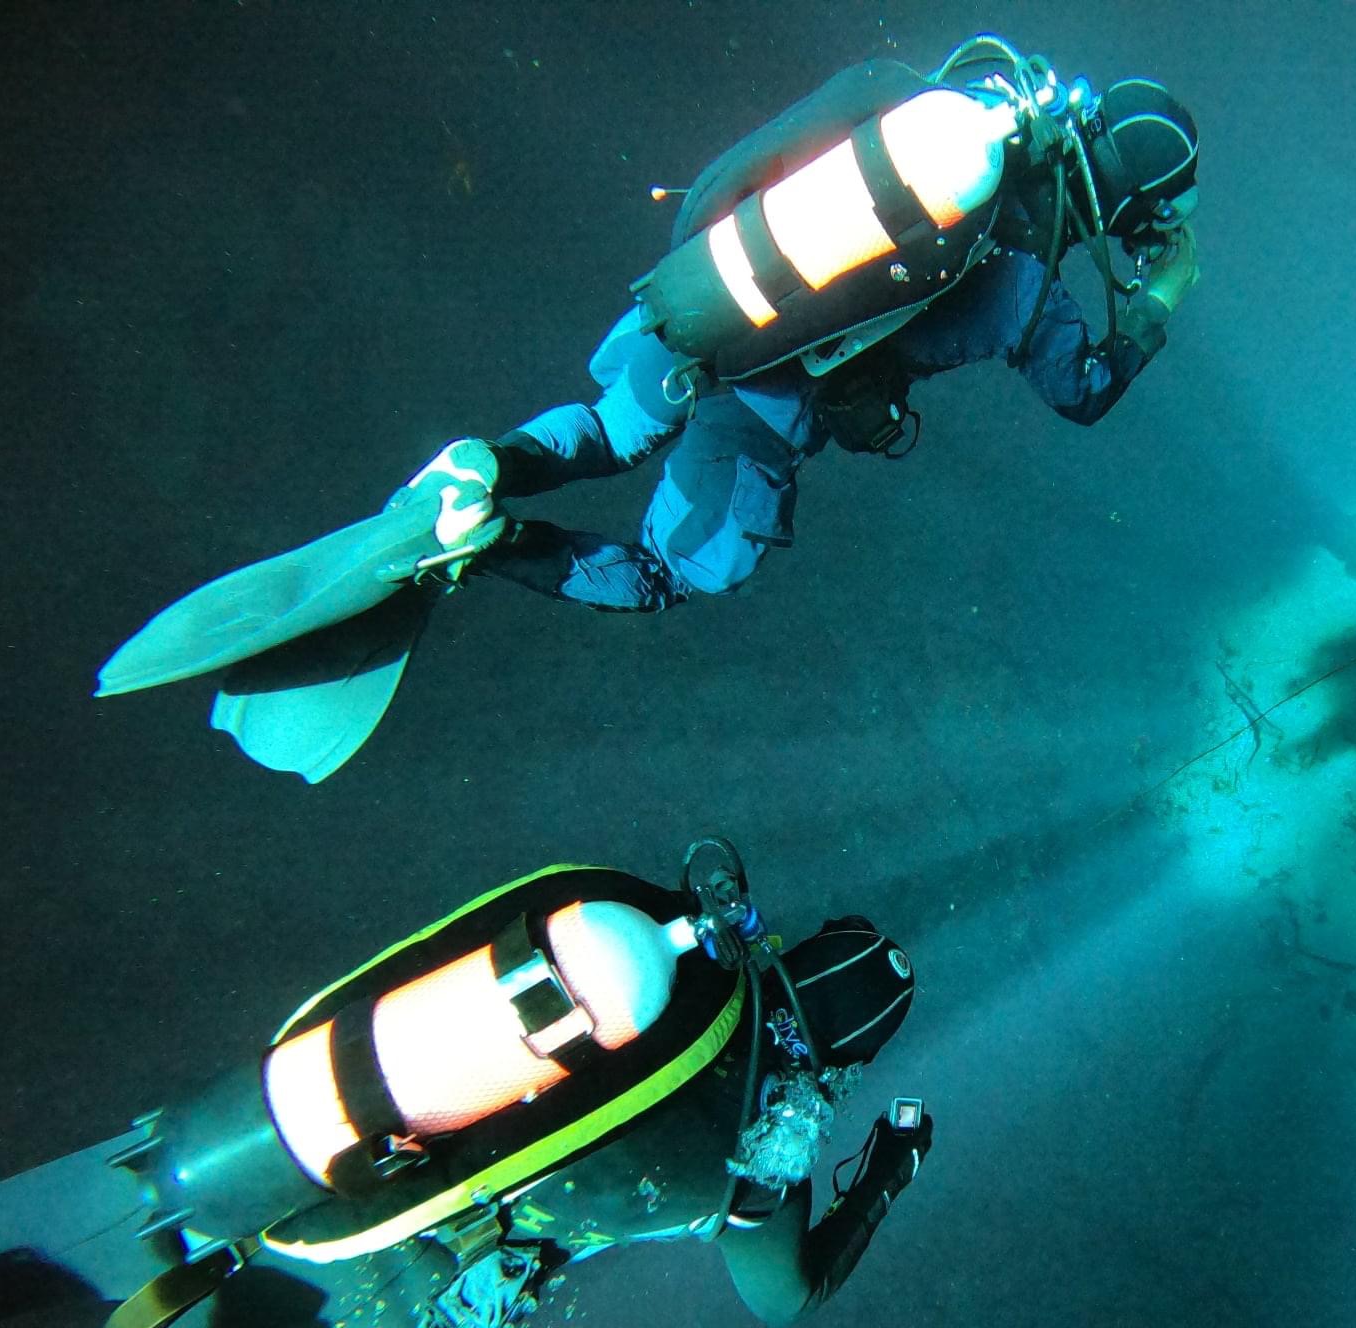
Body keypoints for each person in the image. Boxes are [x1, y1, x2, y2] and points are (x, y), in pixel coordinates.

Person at [92, 34, 1202, 781]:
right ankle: (492, 542)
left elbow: (775, 155)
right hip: (757, 409)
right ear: (1119, 203)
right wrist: (1153, 301)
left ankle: (483, 466)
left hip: (690, 303)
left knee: (607, 424)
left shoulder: (936, 117)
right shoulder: (1021, 287)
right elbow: (1083, 396)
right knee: (682, 574)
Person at [0, 840, 930, 1328]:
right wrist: (891, 1161)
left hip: (299, 1119)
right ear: (850, 1061)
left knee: (94, 1227)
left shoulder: (681, 958)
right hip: (404, 1280)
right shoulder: (778, 1153)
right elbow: (786, 1300)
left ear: (796, 950)